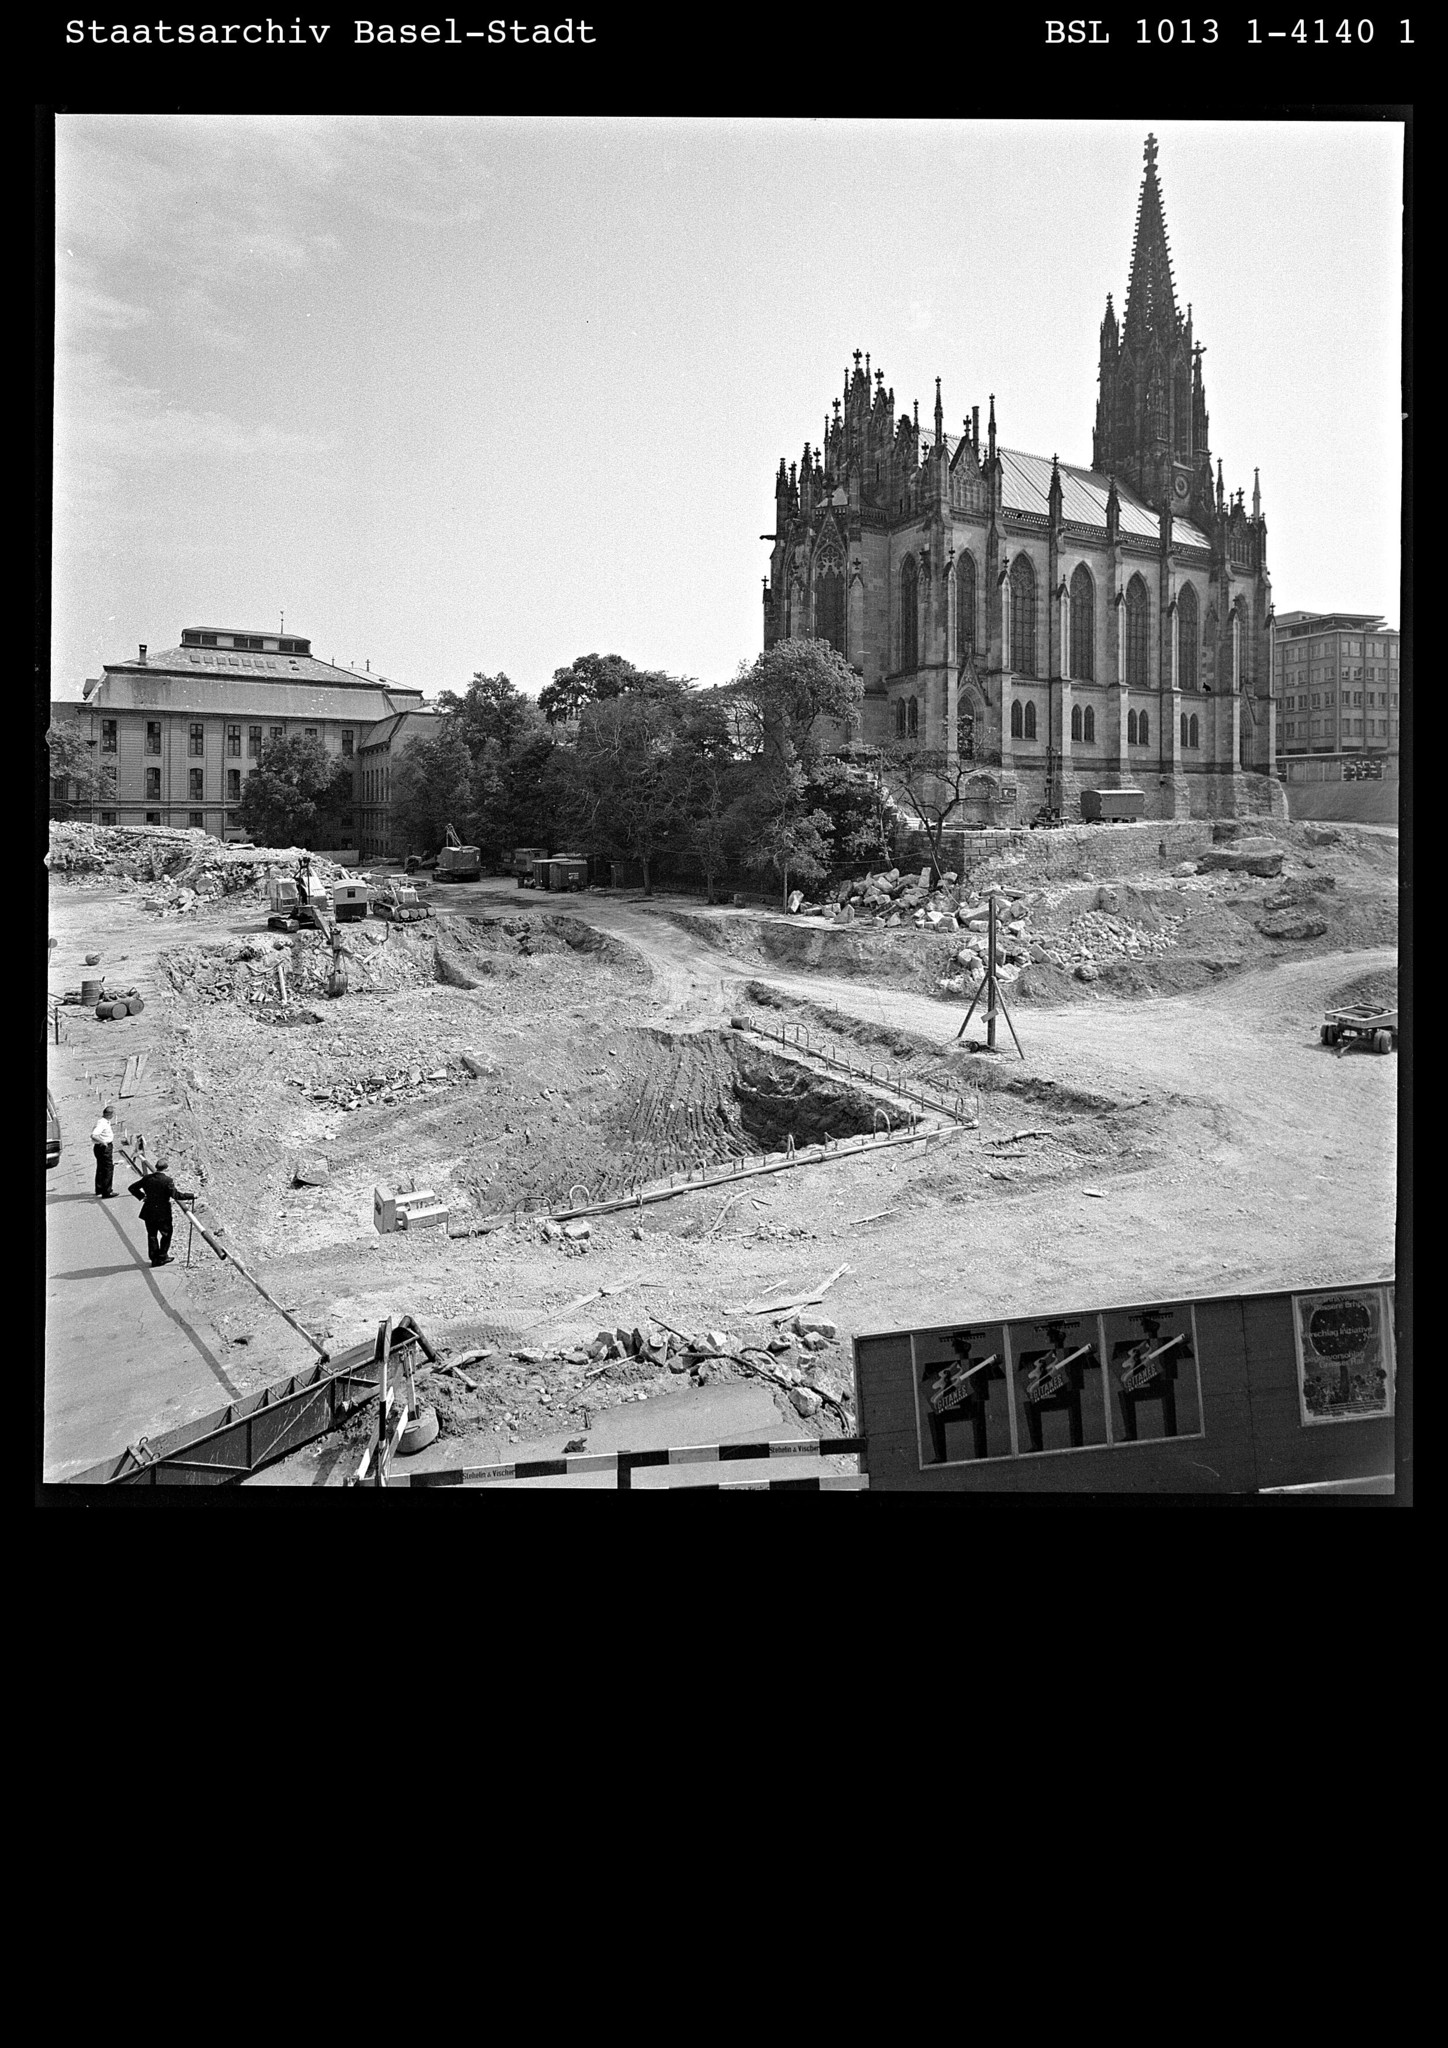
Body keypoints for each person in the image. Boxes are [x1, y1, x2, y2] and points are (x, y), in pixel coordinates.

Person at [128, 1156, 195, 1268]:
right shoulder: (167, 1181)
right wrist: (191, 1196)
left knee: (152, 1235)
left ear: (156, 1167)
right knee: (166, 1234)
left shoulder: (147, 1178)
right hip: (163, 1213)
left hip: (148, 1211)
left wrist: (142, 1196)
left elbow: (132, 1188)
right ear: (166, 1168)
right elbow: (176, 1195)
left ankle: (154, 1259)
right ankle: (162, 1256)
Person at [91, 1104, 117, 1197]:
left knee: (101, 1168)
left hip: (99, 1148)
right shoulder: (102, 1123)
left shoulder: (103, 1121)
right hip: (104, 1148)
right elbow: (94, 1135)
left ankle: (100, 1189)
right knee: (108, 1169)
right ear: (110, 1115)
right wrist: (103, 1142)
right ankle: (107, 1191)